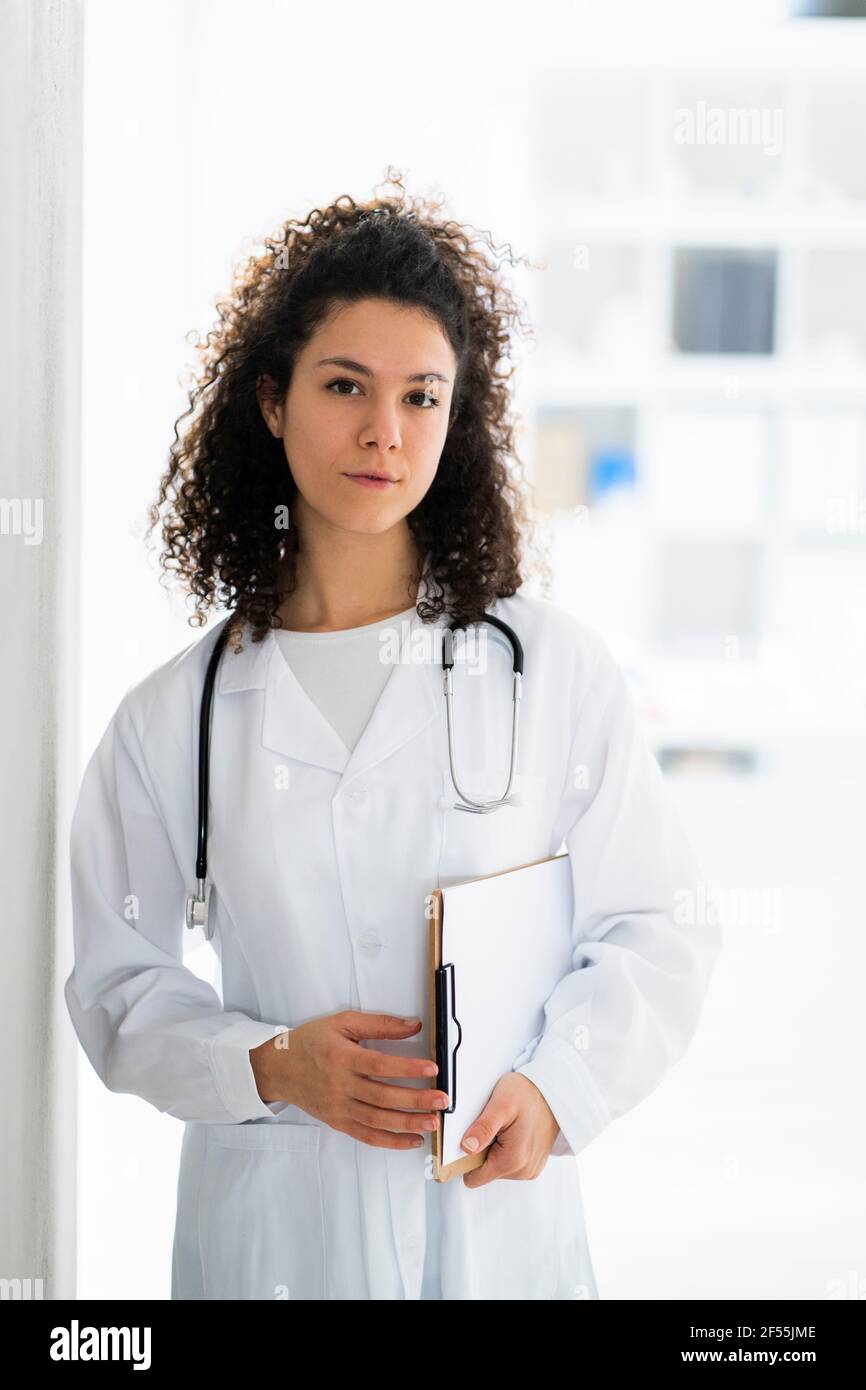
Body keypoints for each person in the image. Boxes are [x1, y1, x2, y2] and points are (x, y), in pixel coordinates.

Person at [65, 172, 722, 1300]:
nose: (384, 430)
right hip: (275, 1245)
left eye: (422, 396)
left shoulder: (549, 671)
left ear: (455, 417)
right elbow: (119, 987)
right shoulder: (172, 716)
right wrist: (271, 1065)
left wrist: (561, 1083)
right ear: (270, 402)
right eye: (344, 385)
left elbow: (656, 925)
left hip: (496, 1236)